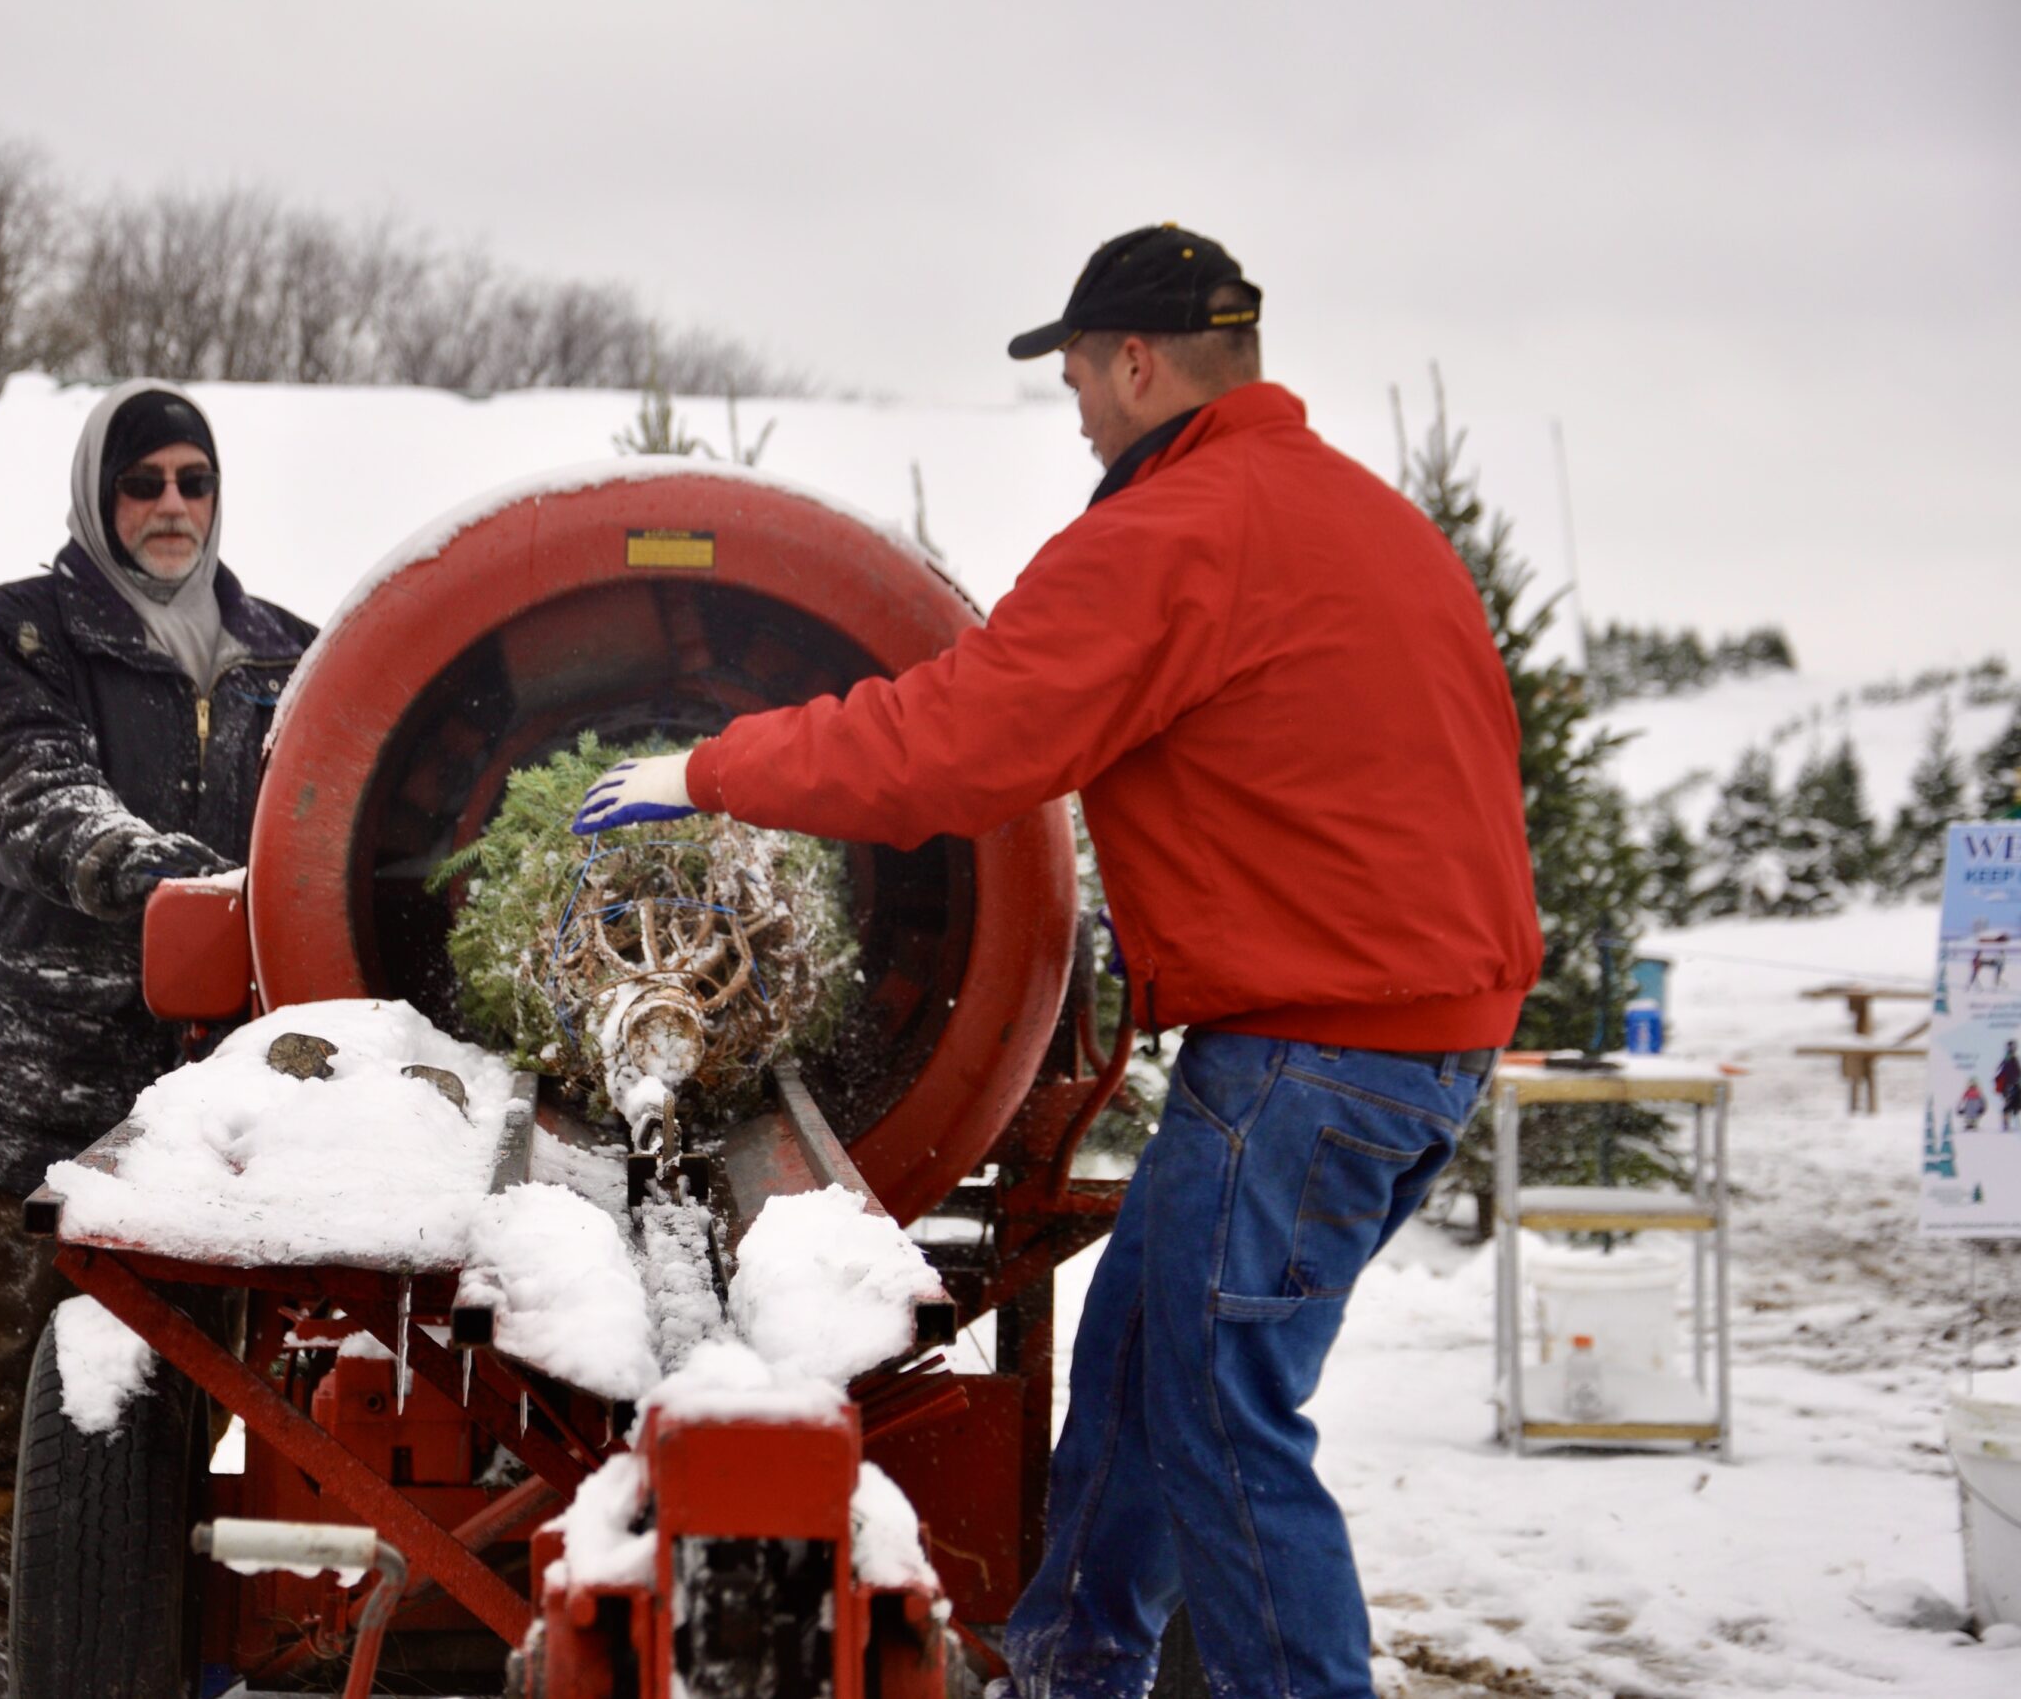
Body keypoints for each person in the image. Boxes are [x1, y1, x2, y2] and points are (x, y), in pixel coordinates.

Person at [573, 226, 1541, 1699]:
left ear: (1138, 361)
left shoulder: (1176, 531)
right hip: (1387, 1041)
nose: (1078, 407)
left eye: (1081, 374)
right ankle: (1074, 1674)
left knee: (1220, 1428)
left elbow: (953, 748)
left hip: (1312, 1051)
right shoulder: (1364, 520)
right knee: (1146, 1392)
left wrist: (708, 772)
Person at [0, 381, 315, 1699]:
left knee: (196, 1368)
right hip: (50, 1072)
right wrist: (191, 890)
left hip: (223, 1083)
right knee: (17, 1369)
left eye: (193, 480)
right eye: (145, 484)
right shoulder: (22, 636)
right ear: (100, 496)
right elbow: (17, 792)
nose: (172, 506)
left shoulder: (287, 654)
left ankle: (151, 1630)